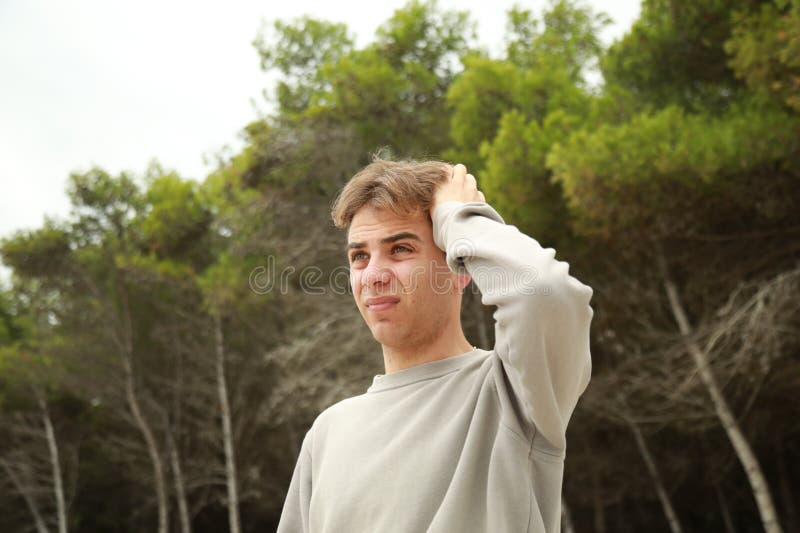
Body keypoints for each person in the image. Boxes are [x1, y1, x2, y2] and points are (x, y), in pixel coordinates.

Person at [277, 160, 594, 533]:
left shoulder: (513, 394)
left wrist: (460, 217)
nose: (374, 276)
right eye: (359, 256)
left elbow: (547, 293)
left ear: (459, 268)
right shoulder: (326, 434)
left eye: (400, 250)